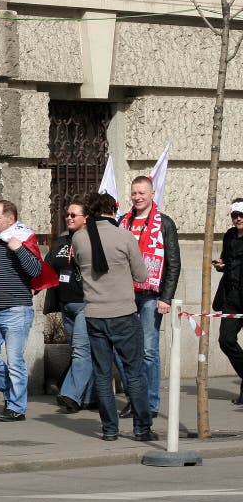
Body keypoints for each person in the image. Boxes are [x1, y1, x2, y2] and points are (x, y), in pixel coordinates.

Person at [71, 192, 156, 441]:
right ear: (113, 210)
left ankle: (109, 429)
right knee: (134, 373)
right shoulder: (124, 235)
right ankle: (142, 428)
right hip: (123, 314)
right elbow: (141, 275)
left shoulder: (79, 238)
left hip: (94, 314)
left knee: (102, 374)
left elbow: (79, 265)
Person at [0, 200, 56, 422]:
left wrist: (18, 249)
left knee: (15, 361)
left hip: (17, 310)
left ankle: (16, 407)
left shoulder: (24, 238)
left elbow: (35, 270)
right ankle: (11, 392)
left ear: (10, 219)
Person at [117, 176, 181, 419]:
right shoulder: (122, 222)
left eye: (142, 193)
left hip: (152, 296)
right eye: (134, 193)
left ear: (153, 194)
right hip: (124, 294)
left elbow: (174, 263)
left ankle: (150, 403)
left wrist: (166, 297)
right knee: (122, 349)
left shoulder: (165, 223)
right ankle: (135, 398)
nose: (138, 197)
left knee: (148, 350)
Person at [43, 201, 96, 413]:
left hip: (87, 303)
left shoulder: (93, 241)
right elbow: (47, 268)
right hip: (66, 305)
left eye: (74, 214)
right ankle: (90, 397)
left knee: (81, 351)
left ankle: (70, 394)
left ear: (86, 218)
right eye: (67, 214)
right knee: (79, 351)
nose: (69, 217)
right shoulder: (61, 241)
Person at [212, 198, 243, 405]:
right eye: (234, 215)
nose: (238, 219)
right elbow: (227, 261)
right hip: (231, 297)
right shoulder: (230, 236)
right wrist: (221, 265)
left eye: (241, 215)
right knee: (226, 340)